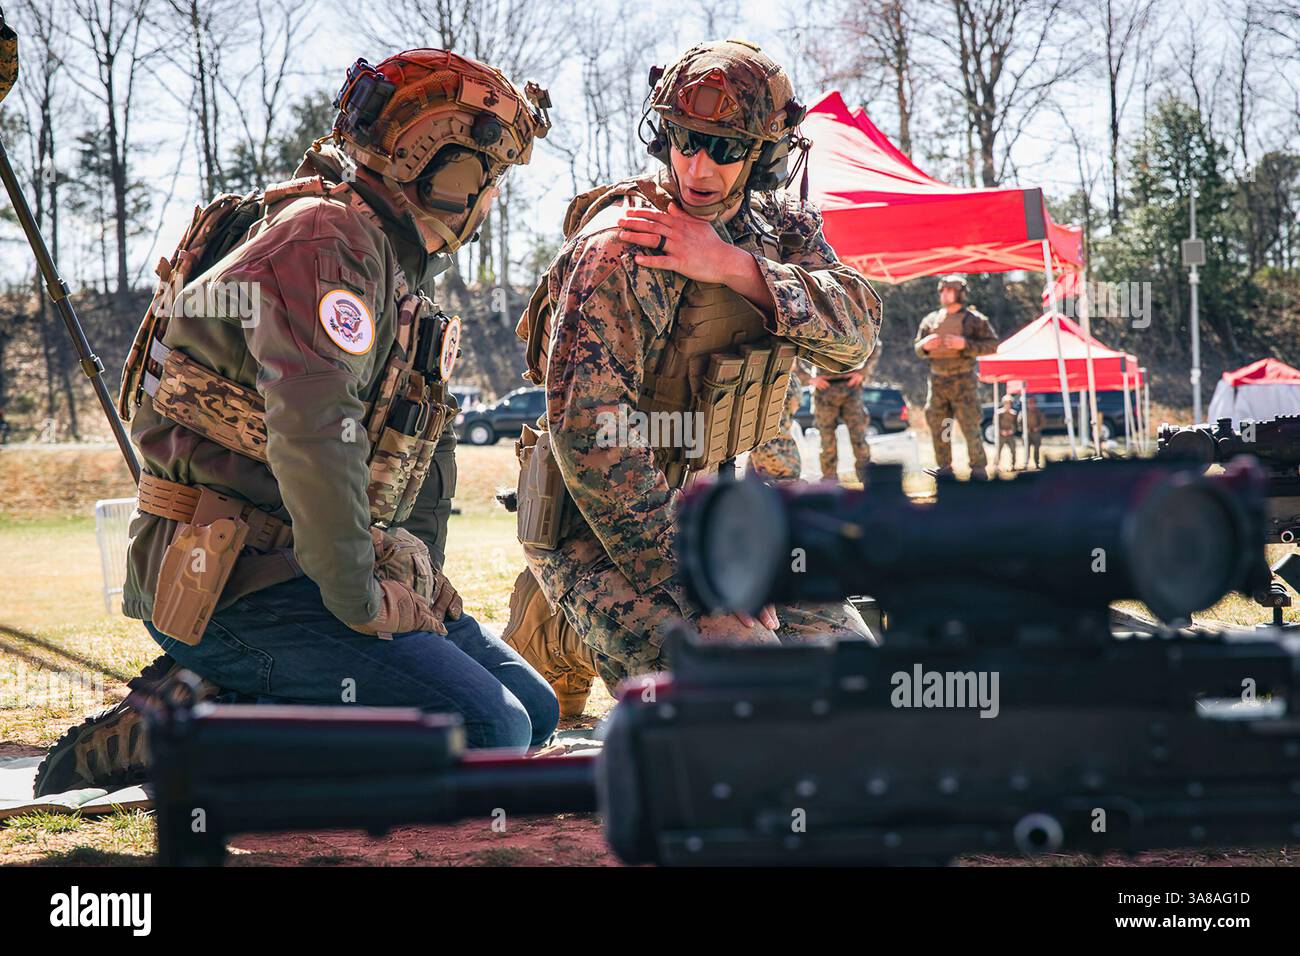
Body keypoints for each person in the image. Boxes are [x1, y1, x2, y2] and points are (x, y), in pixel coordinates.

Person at [35, 49, 558, 797]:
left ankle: (223, 692)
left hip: (298, 566)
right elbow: (318, 436)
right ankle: (187, 728)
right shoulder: (327, 242)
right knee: (490, 733)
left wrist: (403, 586)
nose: (488, 198)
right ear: (448, 169)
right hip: (234, 583)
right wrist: (364, 601)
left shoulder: (374, 252)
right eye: (489, 177)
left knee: (531, 715)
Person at [514, 39, 882, 691]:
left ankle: (576, 634)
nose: (698, 166)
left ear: (764, 151)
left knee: (854, 681)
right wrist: (703, 581)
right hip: (602, 526)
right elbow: (590, 435)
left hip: (726, 517)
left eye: (725, 147)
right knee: (752, 688)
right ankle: (557, 628)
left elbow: (857, 335)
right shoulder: (621, 248)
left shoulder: (782, 233)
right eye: (685, 139)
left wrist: (734, 268)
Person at [915, 275, 998, 480]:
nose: (944, 294)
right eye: (942, 291)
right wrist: (924, 345)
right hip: (938, 382)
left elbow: (992, 345)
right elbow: (917, 347)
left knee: (970, 425)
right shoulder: (931, 319)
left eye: (949, 290)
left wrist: (966, 345)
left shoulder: (974, 320)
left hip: (964, 381)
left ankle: (978, 469)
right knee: (942, 426)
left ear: (960, 293)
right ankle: (944, 468)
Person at [811, 349, 877, 483]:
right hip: (824, 389)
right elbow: (793, 346)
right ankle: (829, 484)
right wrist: (808, 378)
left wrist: (863, 372)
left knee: (859, 438)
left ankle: (868, 481)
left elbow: (875, 344)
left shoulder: (855, 326)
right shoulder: (815, 327)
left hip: (851, 387)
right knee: (827, 441)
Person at [995, 393, 1019, 472]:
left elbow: (1016, 424)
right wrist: (1001, 431)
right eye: (1006, 403)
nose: (1007, 404)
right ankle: (996, 466)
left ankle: (1013, 465)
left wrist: (1012, 430)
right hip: (1001, 435)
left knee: (1013, 450)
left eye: (1009, 403)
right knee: (998, 450)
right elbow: (995, 424)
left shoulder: (1014, 413)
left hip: (1010, 434)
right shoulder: (999, 413)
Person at [1026, 395, 1046, 469]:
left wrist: (1037, 428)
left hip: (1036, 433)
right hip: (1027, 433)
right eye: (1030, 403)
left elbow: (1043, 422)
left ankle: (1037, 463)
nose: (1031, 405)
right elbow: (1019, 423)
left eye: (1033, 403)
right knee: (1026, 449)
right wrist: (1024, 429)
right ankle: (1026, 463)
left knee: (1036, 449)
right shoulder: (1024, 412)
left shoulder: (1039, 412)